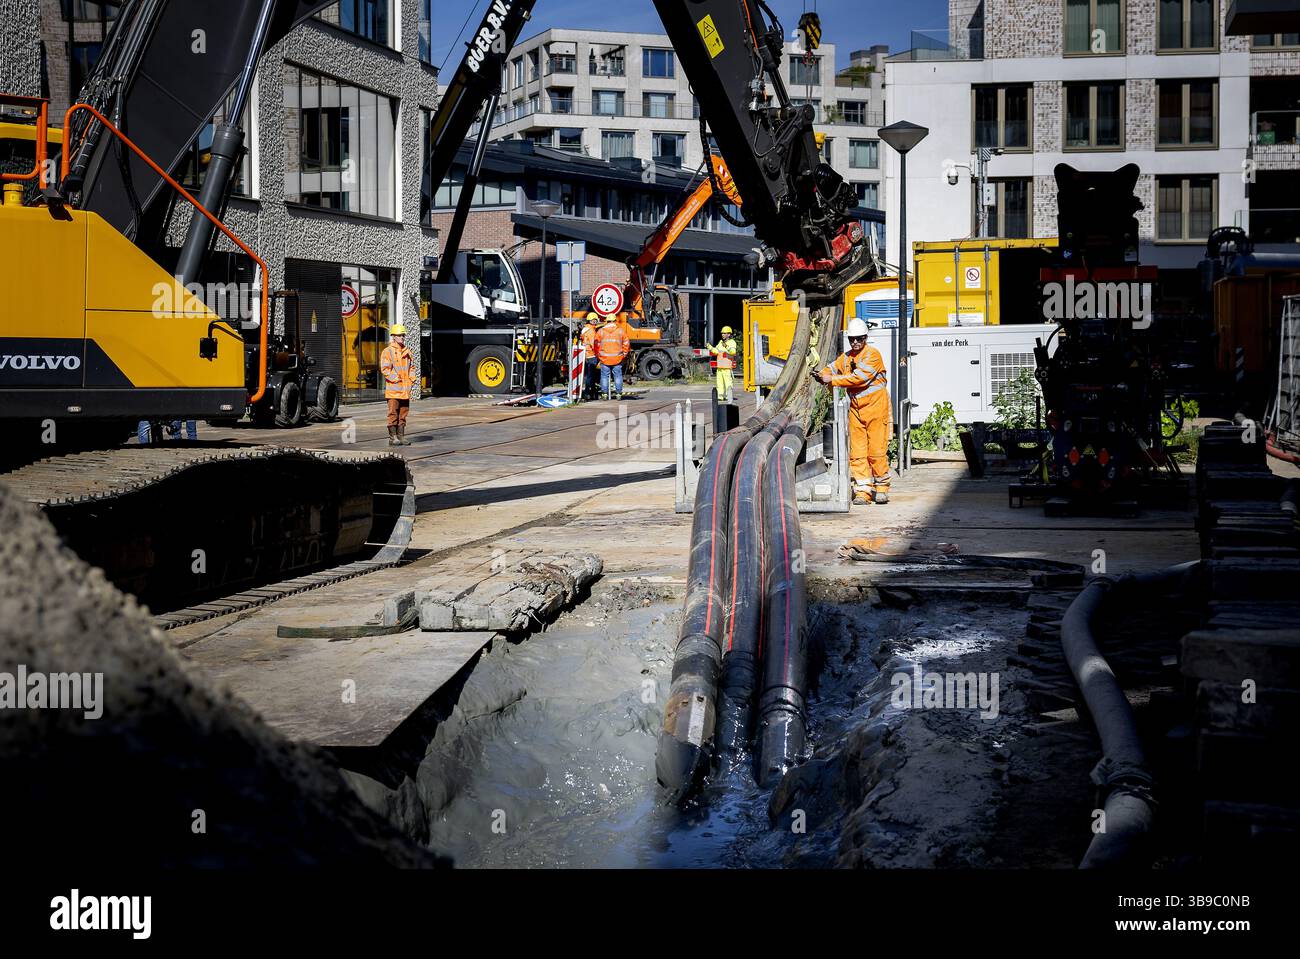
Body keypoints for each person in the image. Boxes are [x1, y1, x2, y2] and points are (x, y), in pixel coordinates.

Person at [818, 317, 891, 506]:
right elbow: (832, 367)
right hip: (856, 409)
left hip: (876, 407)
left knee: (876, 451)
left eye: (859, 338)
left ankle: (881, 488)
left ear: (866, 338)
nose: (856, 342)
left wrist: (831, 380)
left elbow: (859, 378)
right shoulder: (847, 357)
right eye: (852, 339)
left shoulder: (872, 355)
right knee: (857, 452)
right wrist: (821, 373)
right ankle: (863, 491)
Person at [380, 324, 415, 446]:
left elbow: (412, 368)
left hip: (405, 391)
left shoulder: (407, 351)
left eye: (403, 335)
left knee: (403, 414)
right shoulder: (388, 351)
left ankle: (401, 436)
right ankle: (392, 437)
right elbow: (385, 369)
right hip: (394, 391)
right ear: (393, 337)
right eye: (399, 335)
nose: (402, 337)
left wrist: (412, 380)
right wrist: (396, 379)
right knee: (393, 413)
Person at [596, 315, 630, 400]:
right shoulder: (620, 331)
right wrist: (624, 354)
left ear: (606, 321)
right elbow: (626, 343)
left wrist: (598, 355)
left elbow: (596, 344)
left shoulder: (600, 331)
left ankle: (604, 394)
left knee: (604, 376)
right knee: (618, 376)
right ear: (615, 321)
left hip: (604, 358)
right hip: (617, 358)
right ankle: (618, 394)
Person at [709, 325, 738, 402]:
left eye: (725, 333)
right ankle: (720, 396)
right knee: (719, 383)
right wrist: (710, 347)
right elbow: (716, 352)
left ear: (729, 334)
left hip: (727, 367)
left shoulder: (732, 342)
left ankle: (729, 396)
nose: (723, 335)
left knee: (728, 383)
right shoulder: (720, 342)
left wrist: (726, 347)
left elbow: (733, 352)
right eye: (722, 333)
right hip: (720, 367)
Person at [579, 312, 602, 400]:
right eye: (593, 320)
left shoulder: (585, 329)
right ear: (589, 321)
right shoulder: (591, 331)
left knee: (589, 375)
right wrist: (599, 354)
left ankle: (589, 392)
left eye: (595, 320)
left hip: (586, 355)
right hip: (591, 355)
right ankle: (588, 393)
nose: (595, 322)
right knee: (591, 376)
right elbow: (594, 344)